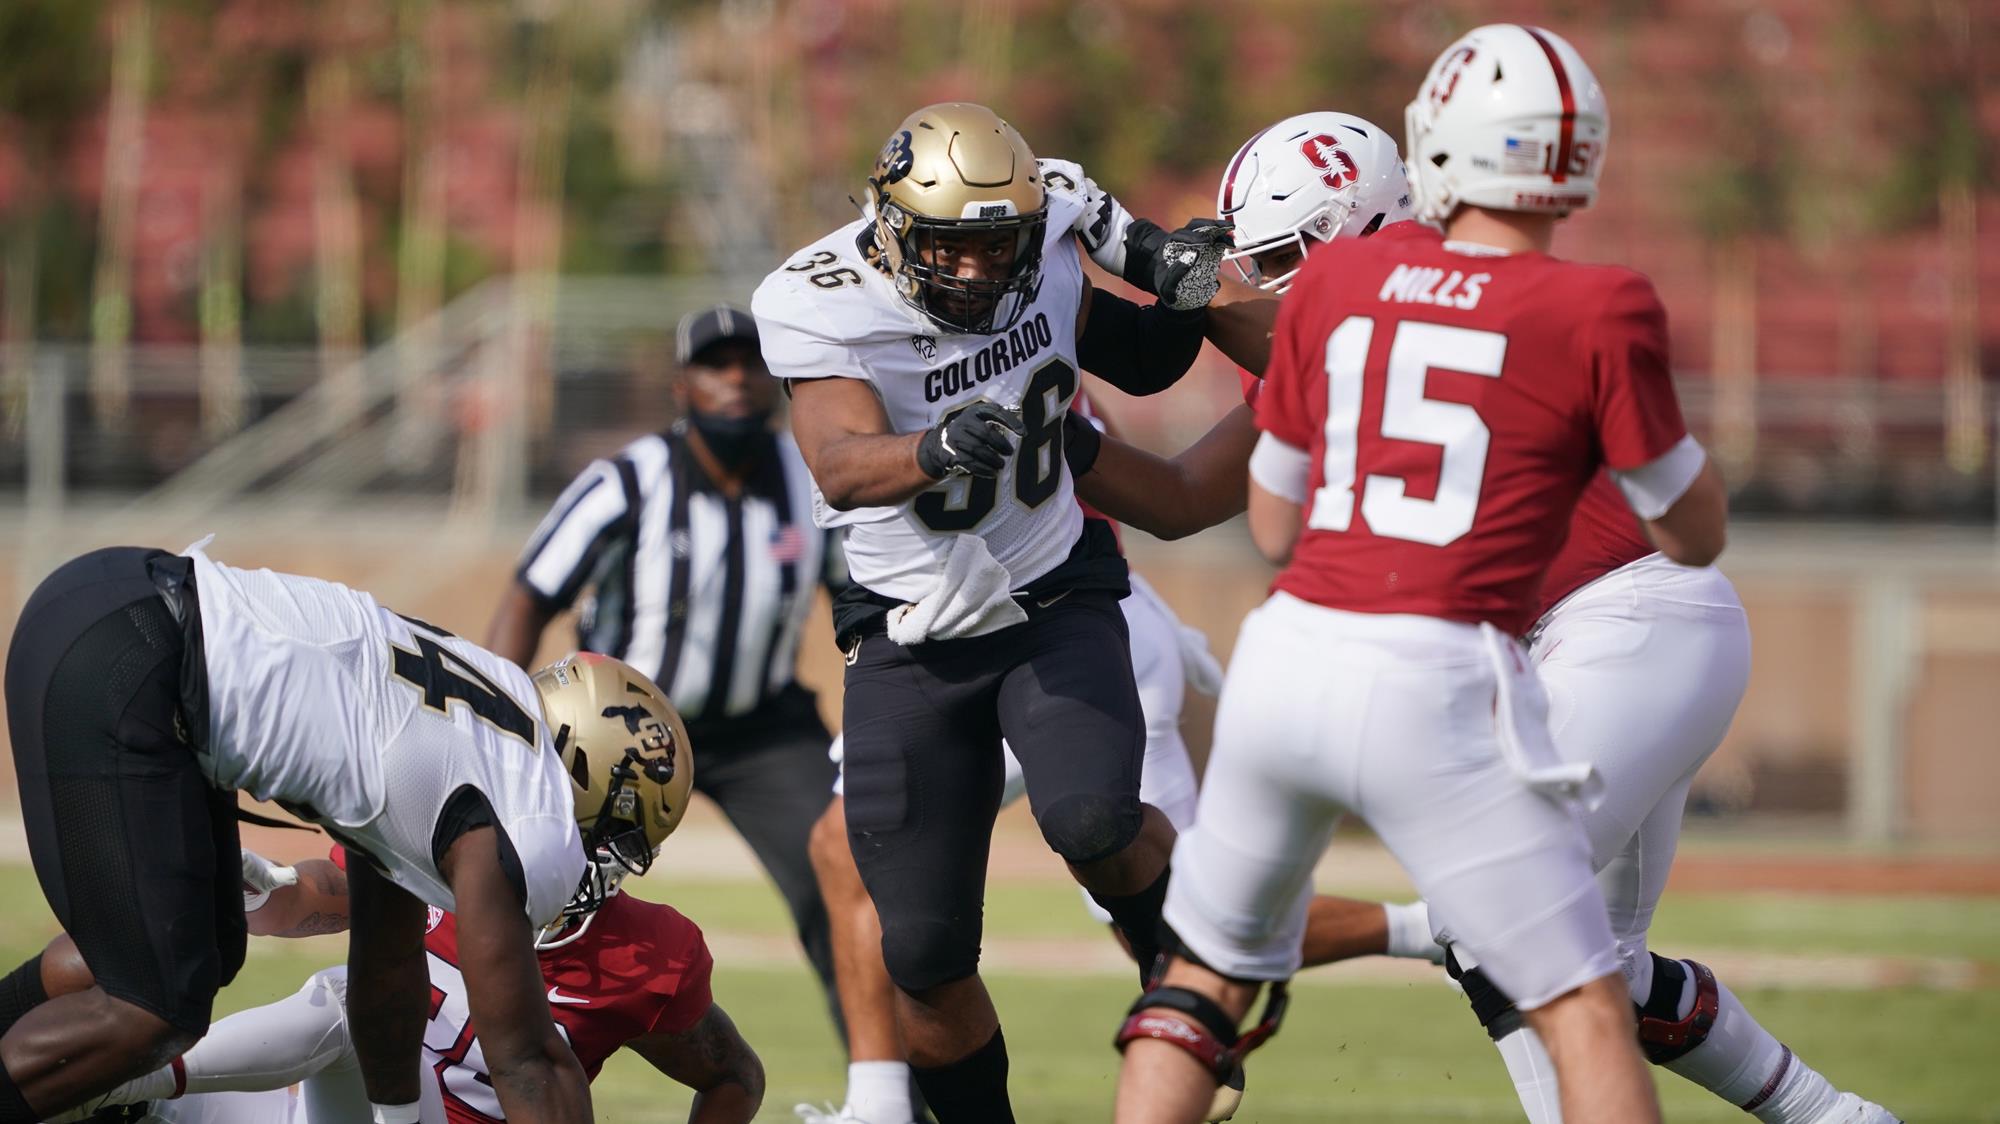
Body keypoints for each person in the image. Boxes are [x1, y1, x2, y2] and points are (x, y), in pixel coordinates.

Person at [1081, 99, 1904, 1124]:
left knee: (1493, 933)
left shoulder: (1405, 302)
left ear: (1366, 220)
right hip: (1562, 638)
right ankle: (1834, 1115)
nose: (1269, 276)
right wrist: (1058, 450)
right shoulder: (1385, 309)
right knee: (1588, 963)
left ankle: (1402, 932)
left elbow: (1291, 426)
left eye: (1283, 252)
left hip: (1620, 620)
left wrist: (1154, 267)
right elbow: (1179, 494)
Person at [751, 101, 1229, 1123]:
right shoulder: (816, 298)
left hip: (1051, 592)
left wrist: (1186, 288)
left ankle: (1201, 984)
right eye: (948, 249)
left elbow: (1141, 358)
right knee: (920, 952)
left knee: (1092, 816)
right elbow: (837, 461)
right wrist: (929, 449)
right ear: (889, 228)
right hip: (909, 632)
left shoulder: (1048, 224)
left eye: (994, 248)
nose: (975, 273)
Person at [794, 391, 1436, 1124]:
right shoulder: (887, 331)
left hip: (1064, 625)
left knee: (1123, 853)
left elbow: (1159, 490)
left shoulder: (1032, 320)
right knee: (866, 861)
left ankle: (1403, 938)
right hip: (954, 628)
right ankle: (881, 1106)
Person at [0, 545, 662, 1124]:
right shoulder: (529, 818)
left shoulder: (484, 738)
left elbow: (385, 965)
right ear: (583, 772)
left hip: (115, 611)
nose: (604, 861)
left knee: (196, 948)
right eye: (617, 828)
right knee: (153, 1005)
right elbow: (530, 1061)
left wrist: (395, 1120)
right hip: (138, 661)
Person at [39, 675, 762, 1124]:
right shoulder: (454, 841)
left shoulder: (651, 953)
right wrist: (271, 891)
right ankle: (123, 1089)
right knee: (89, 987)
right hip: (318, 1108)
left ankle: (129, 1083)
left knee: (357, 1004)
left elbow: (735, 1076)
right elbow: (332, 893)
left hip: (396, 1100)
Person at [487, 306, 849, 1032]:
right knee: (539, 890)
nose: (739, 380)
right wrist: (492, 725)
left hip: (764, 730)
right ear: (682, 386)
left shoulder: (813, 480)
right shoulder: (628, 479)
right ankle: (483, 1063)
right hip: (622, 736)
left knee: (846, 886)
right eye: (718, 365)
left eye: (751, 363)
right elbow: (531, 593)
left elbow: (858, 607)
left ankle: (887, 1094)